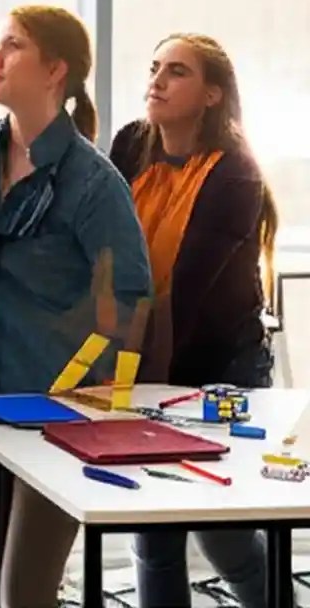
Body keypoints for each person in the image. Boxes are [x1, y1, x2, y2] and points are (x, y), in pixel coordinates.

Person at [0, 5, 152, 607]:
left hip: (58, 415)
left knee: (22, 592)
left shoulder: (94, 183)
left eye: (13, 45)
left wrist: (88, 401)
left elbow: (129, 302)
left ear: (55, 70)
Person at [109, 33, 276, 607]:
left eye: (177, 71)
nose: (156, 80)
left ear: (212, 94)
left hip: (218, 369)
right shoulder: (131, 145)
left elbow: (188, 294)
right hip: (146, 361)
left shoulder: (235, 174)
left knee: (223, 537)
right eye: (155, 67)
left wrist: (138, 388)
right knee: (154, 537)